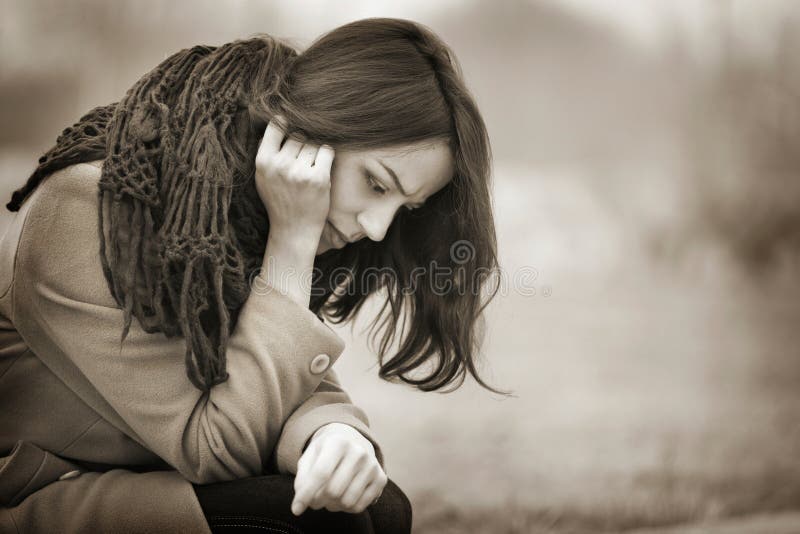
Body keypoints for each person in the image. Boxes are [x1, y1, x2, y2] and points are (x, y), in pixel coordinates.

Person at [0, 17, 499, 533]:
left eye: (405, 208)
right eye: (375, 183)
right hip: (45, 496)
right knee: (319, 524)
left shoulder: (239, 214)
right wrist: (291, 243)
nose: (377, 230)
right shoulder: (88, 210)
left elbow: (286, 386)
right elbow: (217, 447)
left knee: (380, 508)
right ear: (308, 136)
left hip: (147, 479)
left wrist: (333, 438)